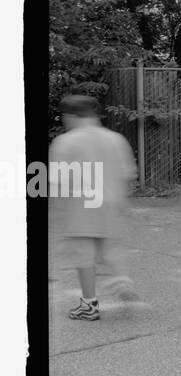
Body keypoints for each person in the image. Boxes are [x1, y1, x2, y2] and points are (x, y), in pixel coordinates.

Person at [50, 93, 138, 320]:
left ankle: (89, 305)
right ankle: (121, 280)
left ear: (71, 116)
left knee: (84, 256)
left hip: (80, 206)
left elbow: (58, 181)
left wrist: (59, 213)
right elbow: (127, 174)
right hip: (110, 202)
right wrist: (123, 202)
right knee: (108, 250)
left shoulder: (66, 142)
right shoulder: (115, 139)